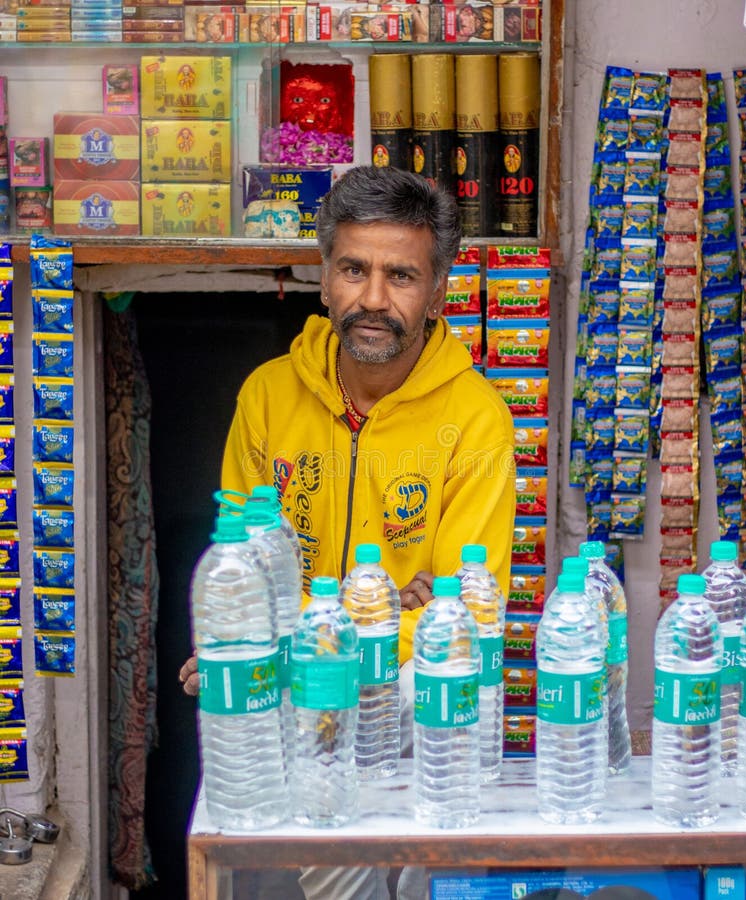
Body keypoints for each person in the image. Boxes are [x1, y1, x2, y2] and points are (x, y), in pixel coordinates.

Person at [179, 165, 516, 898]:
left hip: (401, 713)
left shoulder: (478, 420)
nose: (372, 299)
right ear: (323, 277)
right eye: (353, 269)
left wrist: (326, 646)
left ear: (438, 291)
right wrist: (381, 606)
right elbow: (241, 575)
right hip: (285, 708)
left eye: (400, 276)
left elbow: (460, 611)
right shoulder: (268, 396)